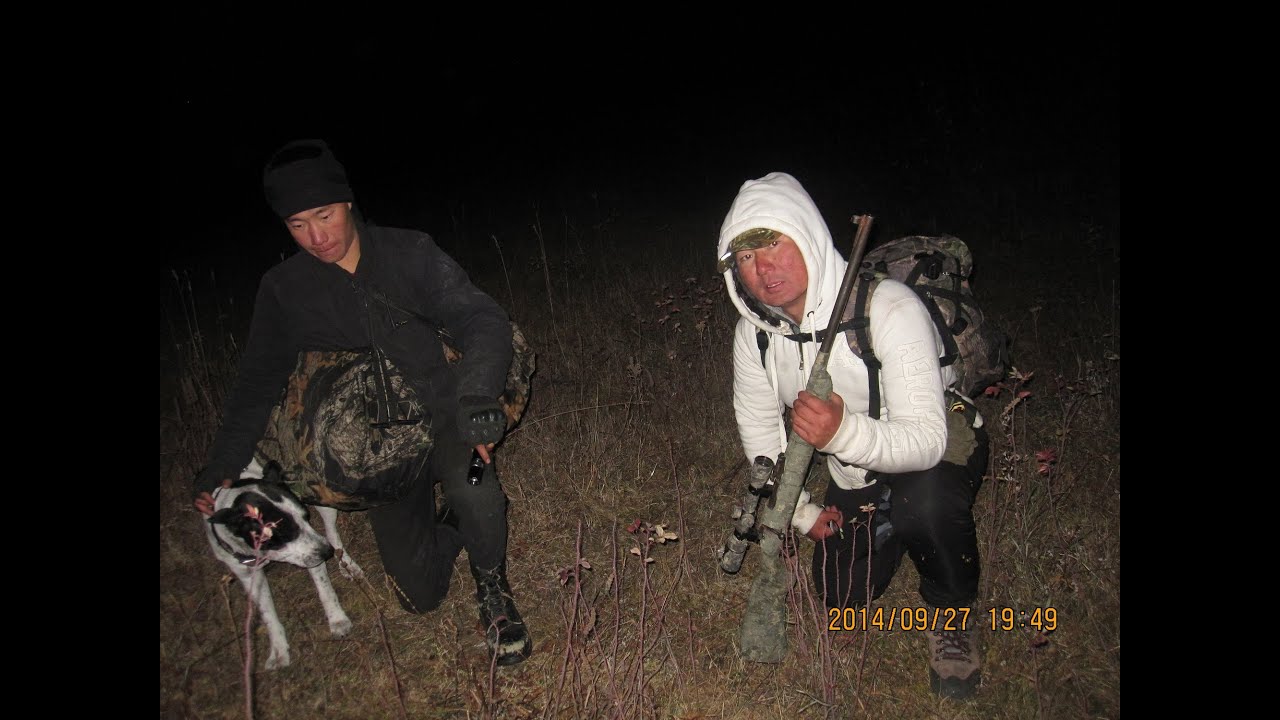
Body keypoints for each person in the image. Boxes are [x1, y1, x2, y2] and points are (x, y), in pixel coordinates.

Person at [192, 138, 531, 666]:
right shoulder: (284, 289)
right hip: (375, 460)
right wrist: (222, 467)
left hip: (446, 423)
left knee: (476, 486)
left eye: (324, 214)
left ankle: (493, 587)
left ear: (347, 202)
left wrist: (476, 397)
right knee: (419, 596)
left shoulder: (409, 253)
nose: (316, 236)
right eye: (297, 224)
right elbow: (256, 384)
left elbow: (481, 318)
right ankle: (447, 527)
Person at [716, 172, 989, 698]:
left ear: (808, 235)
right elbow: (759, 433)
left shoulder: (886, 307)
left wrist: (840, 432)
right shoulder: (754, 333)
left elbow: (927, 440)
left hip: (938, 447)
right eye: (747, 257)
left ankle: (952, 613)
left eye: (775, 242)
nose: (765, 267)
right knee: (840, 601)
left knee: (925, 502)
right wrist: (801, 514)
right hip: (858, 465)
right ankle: (888, 517)